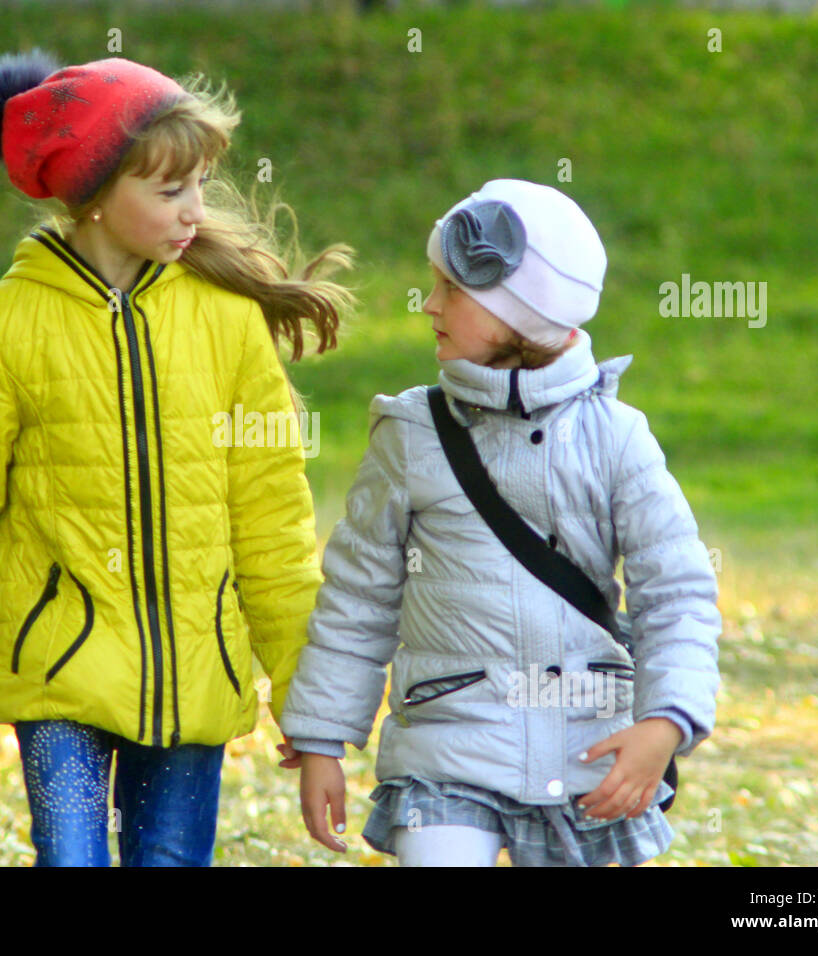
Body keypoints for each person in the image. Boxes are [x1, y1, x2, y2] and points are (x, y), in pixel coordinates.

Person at [0, 49, 355, 867]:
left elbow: (275, 534)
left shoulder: (231, 323)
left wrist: (312, 715)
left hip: (196, 680)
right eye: (170, 191)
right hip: (60, 679)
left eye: (199, 185)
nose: (194, 210)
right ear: (93, 199)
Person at [278, 179, 721, 866]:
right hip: (445, 749)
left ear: (523, 313)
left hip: (589, 751)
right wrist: (321, 737)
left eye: (452, 289)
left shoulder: (618, 437)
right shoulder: (409, 434)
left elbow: (678, 592)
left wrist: (665, 723)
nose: (429, 305)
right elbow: (358, 595)